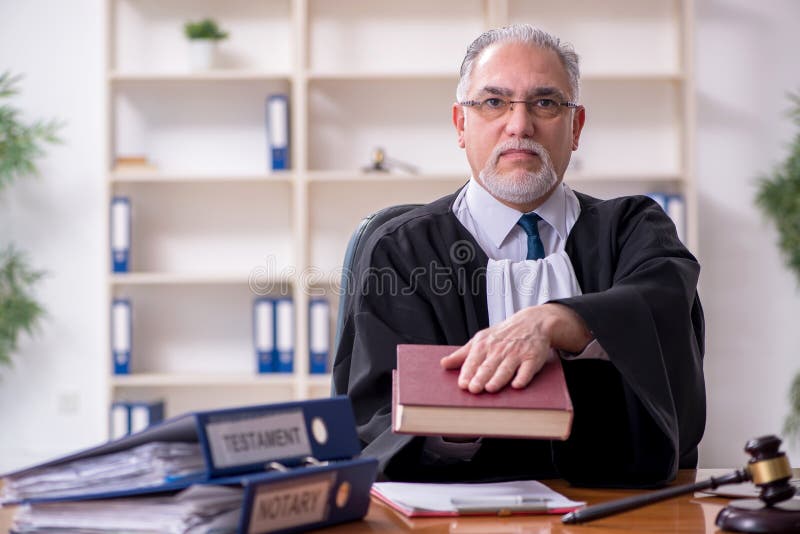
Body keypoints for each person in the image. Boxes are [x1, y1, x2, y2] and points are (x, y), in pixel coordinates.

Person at [332, 24, 705, 487]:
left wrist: (559, 321)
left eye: (545, 103)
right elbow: (374, 419)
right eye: (494, 102)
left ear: (576, 127)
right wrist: (453, 424)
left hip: (612, 500)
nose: (519, 125)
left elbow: (665, 310)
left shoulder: (632, 228)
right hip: (457, 506)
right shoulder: (400, 250)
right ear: (461, 125)